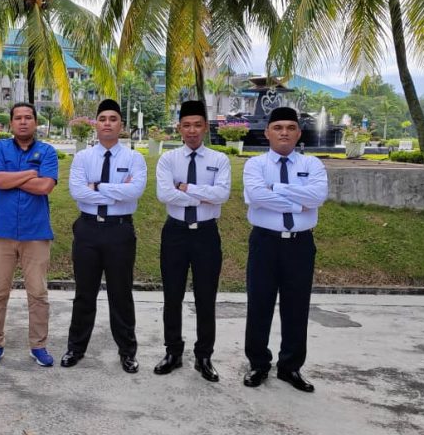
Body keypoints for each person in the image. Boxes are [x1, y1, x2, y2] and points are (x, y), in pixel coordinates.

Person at [243, 106, 328, 392]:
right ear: (267, 132)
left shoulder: (312, 164)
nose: (284, 132)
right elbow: (255, 195)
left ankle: (290, 367)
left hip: (300, 246)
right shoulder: (255, 165)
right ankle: (258, 364)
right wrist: (297, 202)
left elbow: (318, 196)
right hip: (265, 242)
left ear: (298, 133)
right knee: (259, 304)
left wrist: (275, 189)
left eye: (290, 128)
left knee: (296, 306)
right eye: (278, 127)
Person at [61, 99, 147, 373]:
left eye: (113, 119)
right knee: (84, 293)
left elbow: (134, 192)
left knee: (120, 293)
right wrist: (115, 189)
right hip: (88, 230)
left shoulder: (134, 158)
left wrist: (96, 185)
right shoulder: (83, 158)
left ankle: (127, 351)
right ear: (96, 124)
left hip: (119, 231)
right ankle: (75, 347)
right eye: (103, 119)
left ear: (121, 125)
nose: (107, 123)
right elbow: (78, 193)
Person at [154, 100, 231, 382]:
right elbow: (165, 195)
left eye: (197, 125)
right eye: (186, 125)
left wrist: (185, 187)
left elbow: (222, 195)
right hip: (175, 232)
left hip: (206, 234)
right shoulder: (168, 159)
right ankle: (173, 351)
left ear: (206, 127)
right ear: (179, 128)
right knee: (172, 296)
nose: (192, 130)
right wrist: (204, 193)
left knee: (205, 297)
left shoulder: (218, 160)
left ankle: (204, 356)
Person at [0, 102, 58, 367]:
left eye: (28, 117)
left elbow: (45, 186)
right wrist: (28, 173)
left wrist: (11, 177)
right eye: (18, 118)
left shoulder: (47, 151)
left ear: (35, 122)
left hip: (36, 233)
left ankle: (38, 346)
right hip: (1, 232)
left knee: (38, 293)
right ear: (11, 123)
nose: (23, 122)